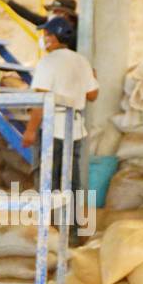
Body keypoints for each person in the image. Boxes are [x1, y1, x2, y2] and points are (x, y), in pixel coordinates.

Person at [22, 16, 97, 242]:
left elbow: (41, 101)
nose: (44, 40)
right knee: (71, 183)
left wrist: (30, 131)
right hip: (74, 130)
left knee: (47, 182)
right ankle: (72, 234)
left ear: (56, 38)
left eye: (47, 36)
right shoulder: (81, 61)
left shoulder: (48, 62)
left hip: (53, 130)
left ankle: (48, 235)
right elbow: (93, 95)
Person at [0, 0, 78, 49]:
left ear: (66, 13)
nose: (53, 14)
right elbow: (29, 15)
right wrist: (8, 1)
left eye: (56, 11)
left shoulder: (80, 31)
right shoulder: (55, 24)